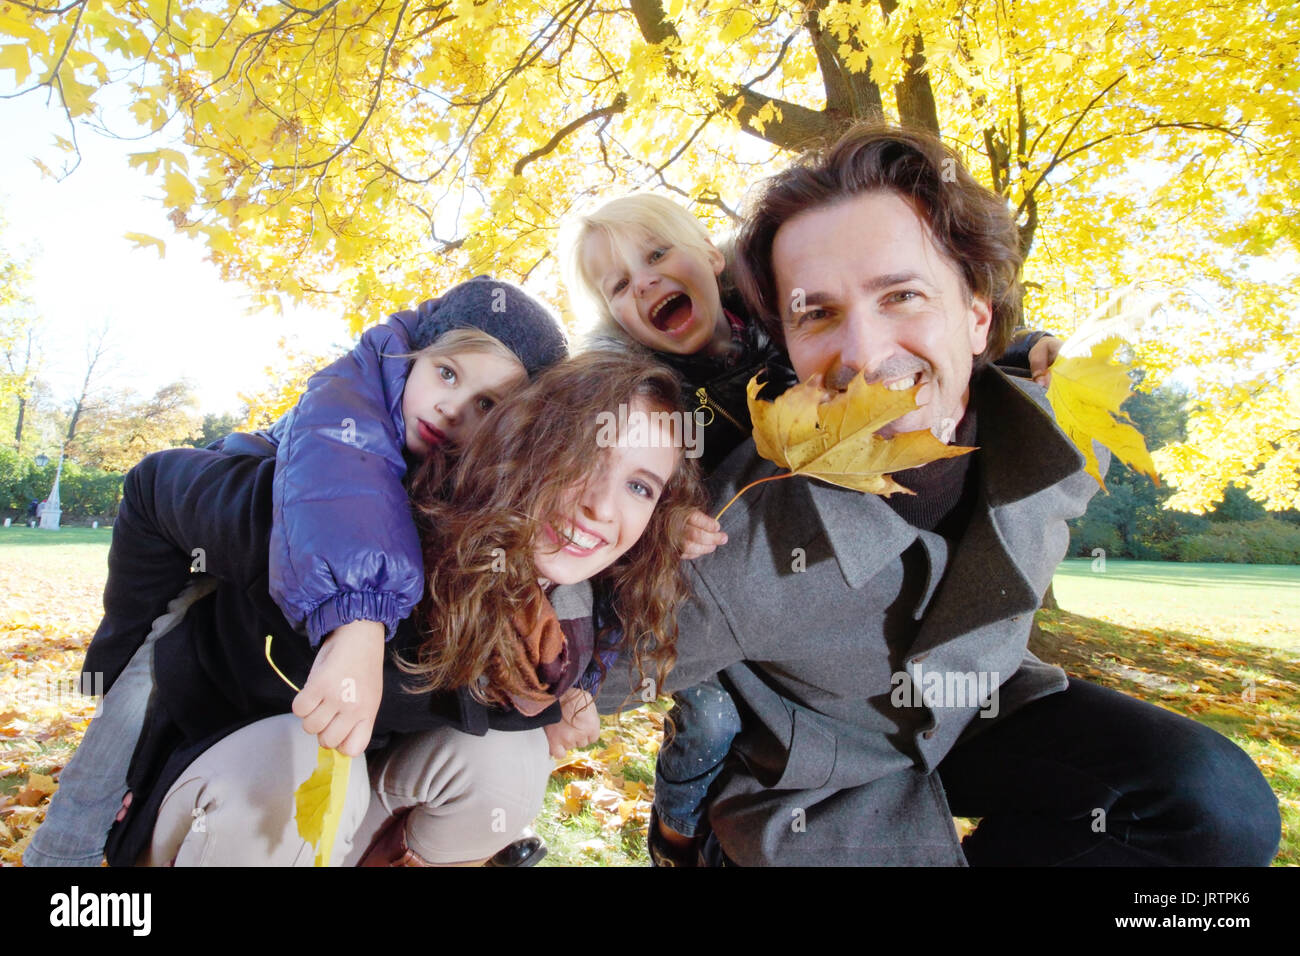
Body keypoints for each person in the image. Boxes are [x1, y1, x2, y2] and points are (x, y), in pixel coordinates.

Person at [598, 123, 1282, 866]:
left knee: (1215, 807)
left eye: (902, 294)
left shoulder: (1062, 442)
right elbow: (551, 668)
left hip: (978, 703)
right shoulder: (736, 534)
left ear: (978, 314)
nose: (863, 353)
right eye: (817, 313)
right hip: (817, 778)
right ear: (789, 345)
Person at [561, 191, 1063, 864]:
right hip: (721, 575)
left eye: (656, 255)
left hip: (828, 560)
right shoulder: (646, 389)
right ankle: (678, 829)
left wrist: (1027, 349)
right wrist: (663, 512)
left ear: (712, 257)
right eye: (620, 284)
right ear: (616, 316)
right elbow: (621, 472)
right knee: (710, 721)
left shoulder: (785, 328)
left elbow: (917, 360)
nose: (645, 281)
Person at [25, 276, 568, 867]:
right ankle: (67, 849)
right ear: (414, 354)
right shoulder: (351, 401)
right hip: (234, 546)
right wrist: (358, 618)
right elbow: (345, 485)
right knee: (136, 683)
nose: (452, 406)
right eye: (447, 373)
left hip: (311, 669)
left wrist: (566, 694)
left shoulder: (464, 472)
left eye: (487, 405)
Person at [102, 351, 706, 865]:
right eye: (586, 459)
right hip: (213, 792)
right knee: (298, 755)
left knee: (510, 760)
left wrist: (555, 706)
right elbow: (154, 485)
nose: (604, 507)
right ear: (528, 442)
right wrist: (113, 739)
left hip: (349, 814)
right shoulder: (346, 522)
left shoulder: (566, 621)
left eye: (639, 486)